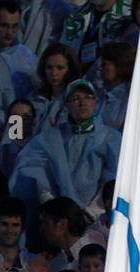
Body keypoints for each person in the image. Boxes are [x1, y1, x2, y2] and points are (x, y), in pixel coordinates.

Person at [13, 78, 121, 211]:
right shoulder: (50, 138)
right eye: (75, 98)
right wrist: (54, 209)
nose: (82, 102)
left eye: (88, 97)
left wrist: (93, 213)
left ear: (96, 103)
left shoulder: (111, 138)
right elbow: (35, 173)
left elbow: (114, 180)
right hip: (57, 218)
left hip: (98, 219)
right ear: (66, 105)